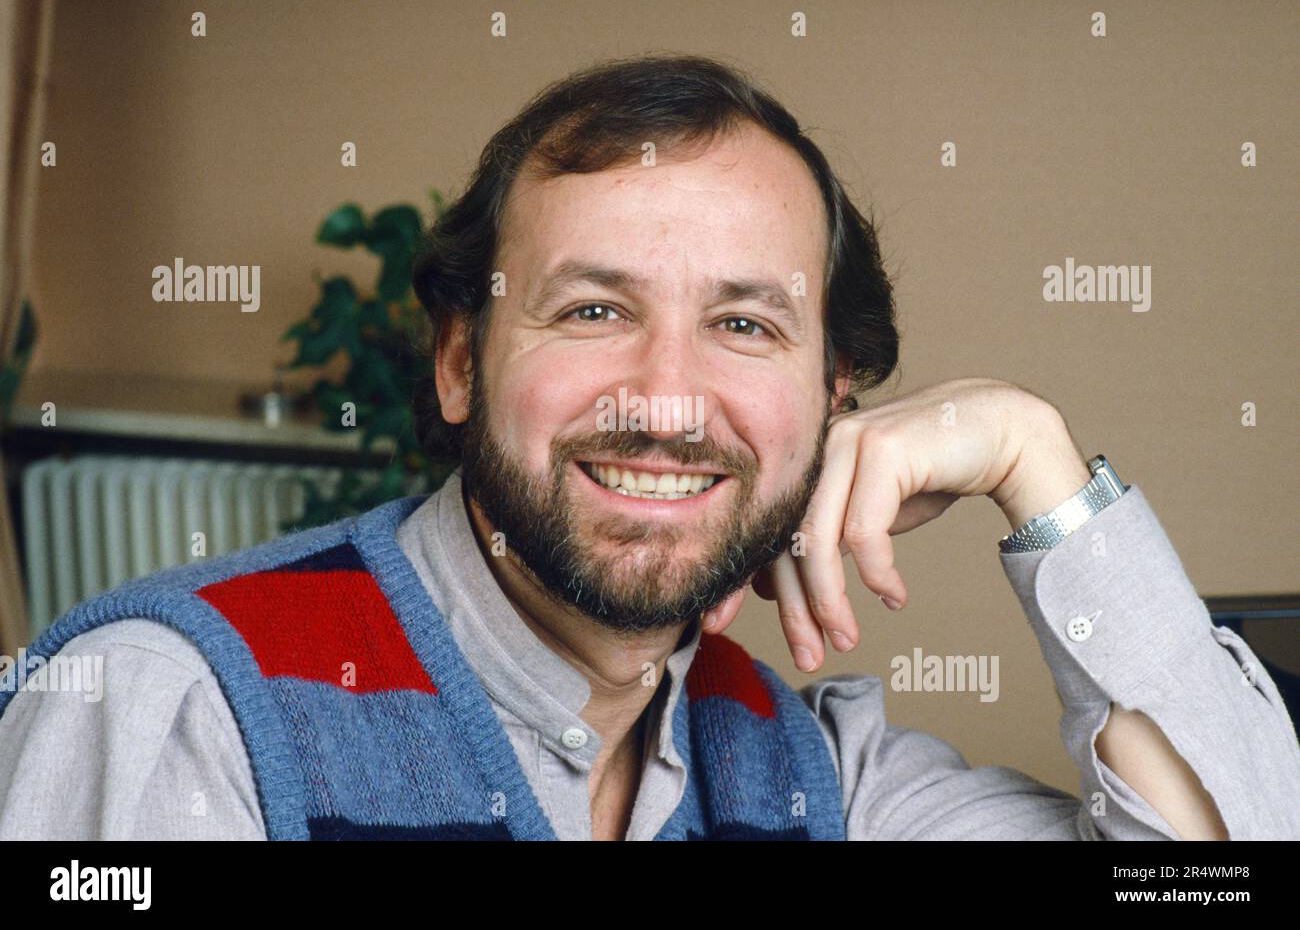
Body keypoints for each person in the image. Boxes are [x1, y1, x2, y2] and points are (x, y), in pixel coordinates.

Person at [2, 55, 1297, 840]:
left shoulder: (813, 779)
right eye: (593, 308)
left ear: (832, 399)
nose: (669, 399)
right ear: (460, 360)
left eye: (743, 322)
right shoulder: (178, 712)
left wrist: (1038, 460)